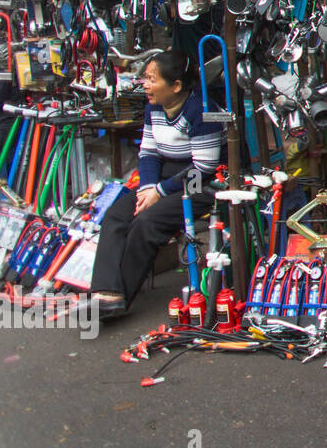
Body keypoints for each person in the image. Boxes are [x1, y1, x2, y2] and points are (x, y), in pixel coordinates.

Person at [90, 50, 226, 318]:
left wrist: (159, 192)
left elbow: (204, 168)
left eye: (151, 79)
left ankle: (119, 297)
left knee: (147, 222)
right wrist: (147, 189)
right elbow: (148, 153)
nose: (145, 85)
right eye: (145, 79)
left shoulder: (203, 110)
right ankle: (106, 291)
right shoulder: (154, 107)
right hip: (166, 178)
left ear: (175, 85)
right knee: (116, 215)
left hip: (203, 183)